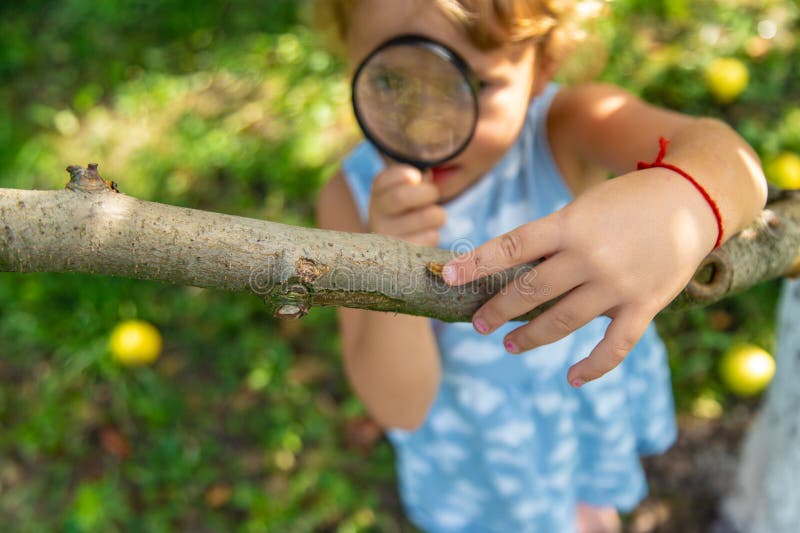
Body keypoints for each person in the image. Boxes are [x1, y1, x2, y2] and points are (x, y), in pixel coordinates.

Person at [314, 1, 768, 531]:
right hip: (479, 454)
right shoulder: (350, 202)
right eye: (393, 80)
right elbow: (400, 409)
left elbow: (734, 163)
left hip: (575, 404)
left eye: (477, 85)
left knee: (588, 509)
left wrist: (685, 202)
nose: (428, 121)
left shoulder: (563, 128)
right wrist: (387, 259)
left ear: (543, 65)